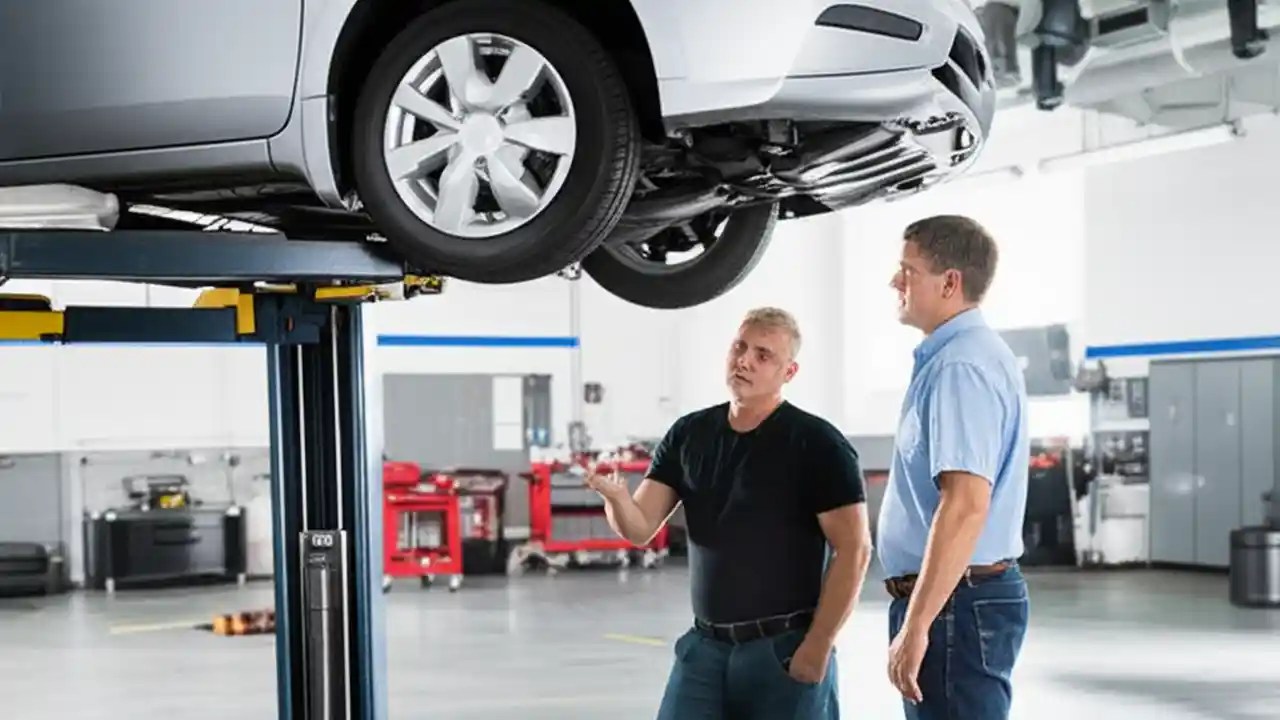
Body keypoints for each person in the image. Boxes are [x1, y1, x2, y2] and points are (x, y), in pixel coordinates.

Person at [585, 306, 873, 720]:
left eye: (763, 355)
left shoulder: (819, 444)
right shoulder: (689, 434)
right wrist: (616, 498)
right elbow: (641, 527)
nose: (744, 360)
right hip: (705, 651)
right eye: (739, 347)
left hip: (782, 649)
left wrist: (818, 644)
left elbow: (855, 550)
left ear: (788, 373)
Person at [877, 215, 1031, 719]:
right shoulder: (959, 358)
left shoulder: (961, 366)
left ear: (950, 282)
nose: (895, 281)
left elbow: (966, 504)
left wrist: (918, 623)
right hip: (953, 598)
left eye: (908, 271)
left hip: (953, 606)